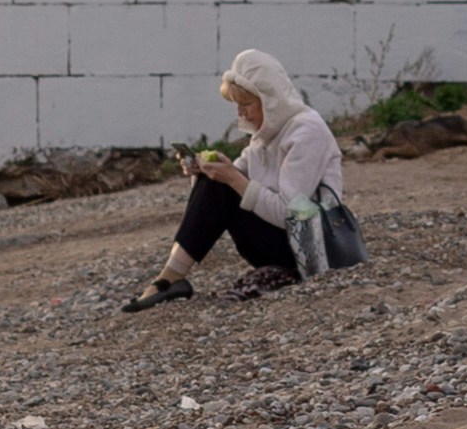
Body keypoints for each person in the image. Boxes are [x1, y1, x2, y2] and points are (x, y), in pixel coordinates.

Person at [124, 49, 347, 311]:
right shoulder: (267, 132)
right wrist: (204, 171)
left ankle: (169, 279)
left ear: (270, 99)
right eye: (236, 104)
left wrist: (231, 178)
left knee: (225, 182)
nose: (241, 113)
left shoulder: (307, 131)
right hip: (281, 244)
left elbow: (292, 213)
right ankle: (170, 277)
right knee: (217, 179)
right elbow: (231, 179)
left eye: (247, 104)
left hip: (314, 249)